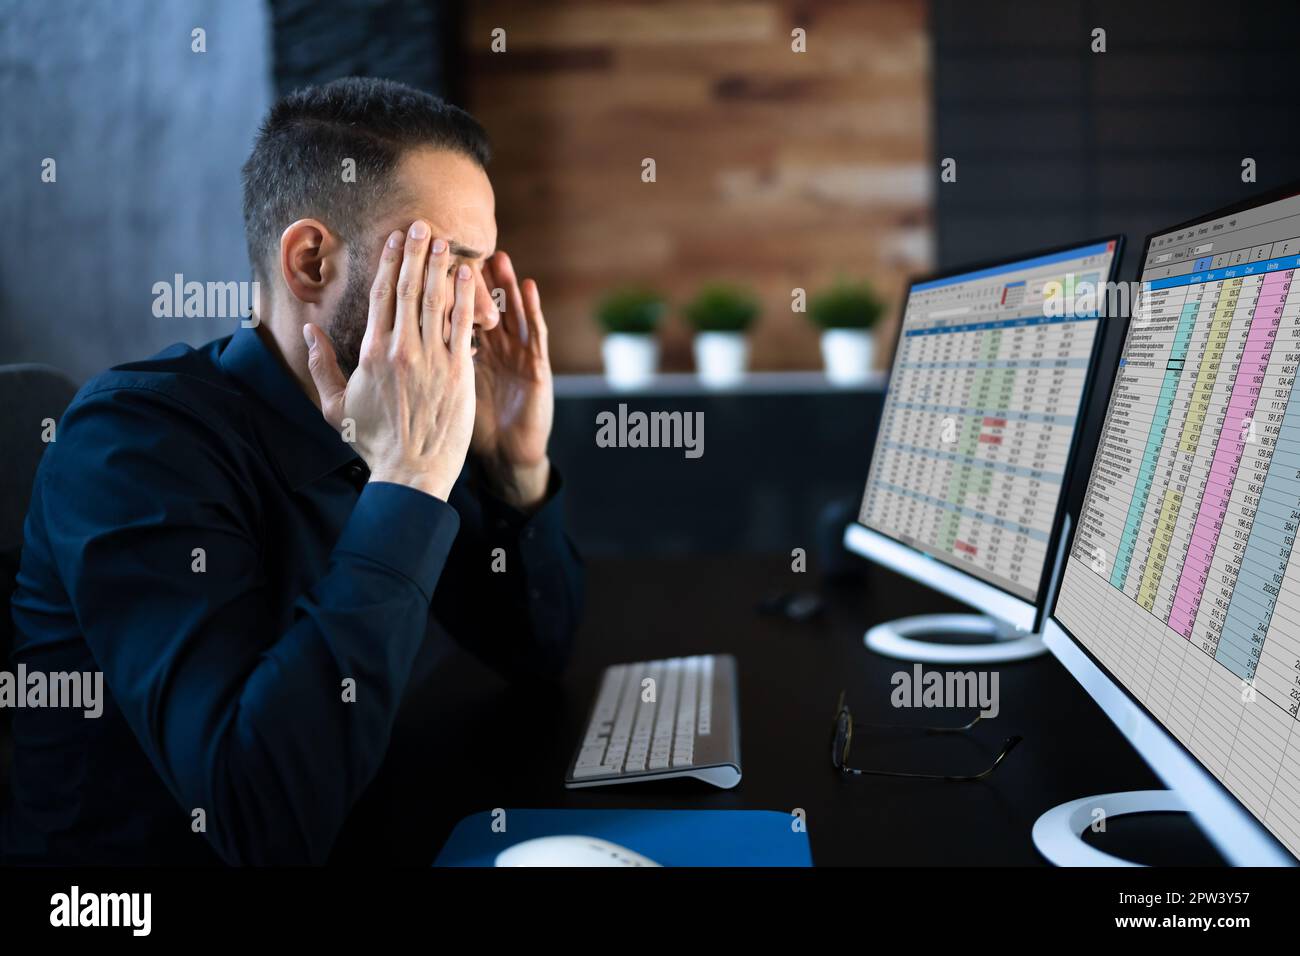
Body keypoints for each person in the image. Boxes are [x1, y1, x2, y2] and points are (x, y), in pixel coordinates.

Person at [2, 77, 583, 865]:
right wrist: (408, 482)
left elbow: (536, 653)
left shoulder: (382, 419)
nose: (485, 311)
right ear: (312, 261)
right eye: (453, 265)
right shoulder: (129, 447)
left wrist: (515, 469)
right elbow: (259, 817)